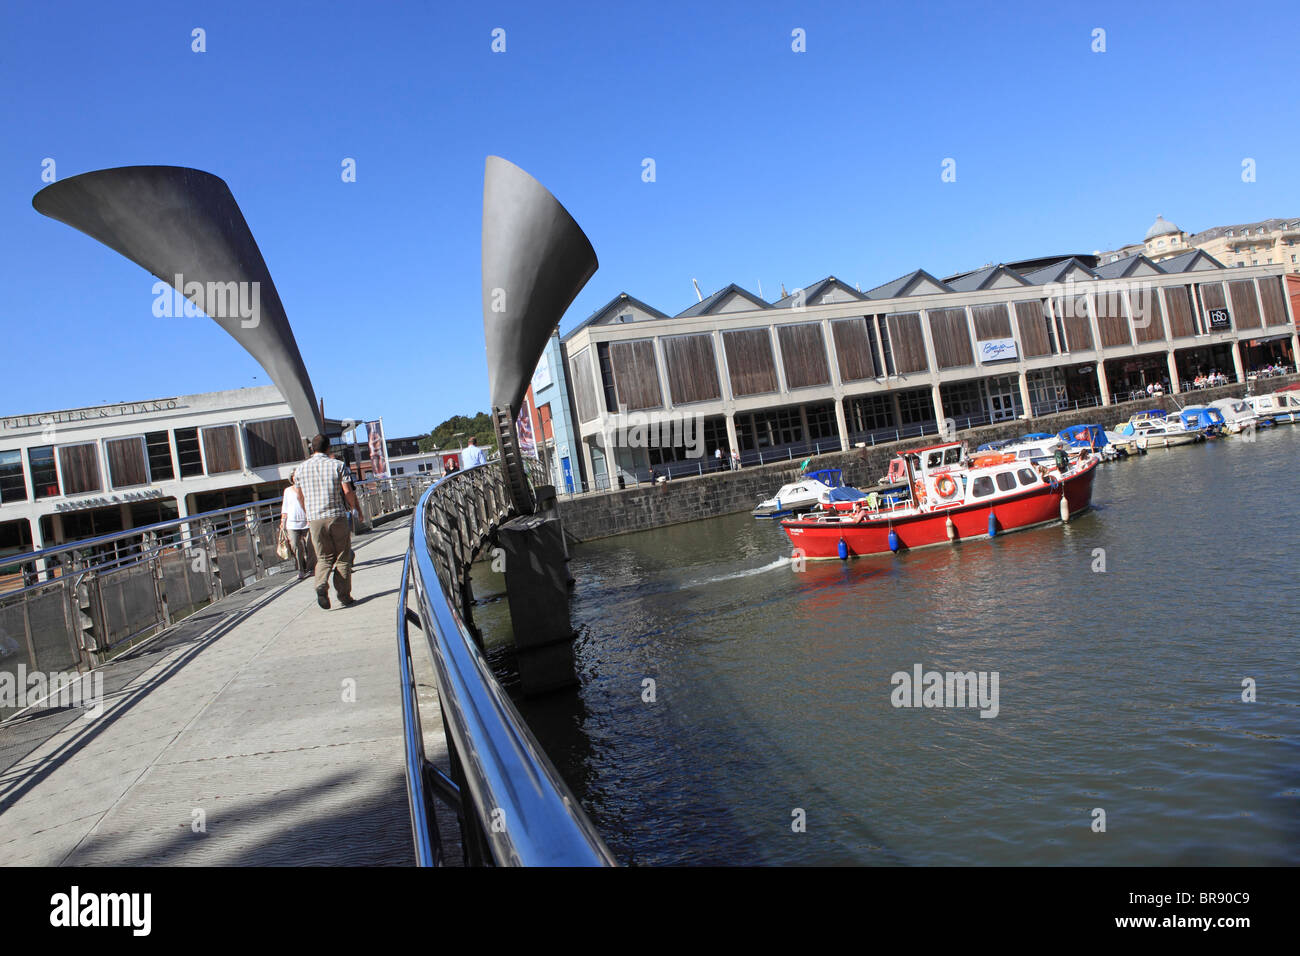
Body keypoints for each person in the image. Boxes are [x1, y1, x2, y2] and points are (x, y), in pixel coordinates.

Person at [298, 434, 362, 609]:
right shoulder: (338, 465)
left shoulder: (301, 469)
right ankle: (344, 595)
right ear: (329, 448)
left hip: (315, 518)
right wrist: (354, 508)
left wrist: (307, 512)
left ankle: (320, 584)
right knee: (343, 556)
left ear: (312, 448)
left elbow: (299, 495)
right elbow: (347, 490)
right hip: (336, 515)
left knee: (323, 557)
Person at [280, 469, 316, 581]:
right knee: (295, 546)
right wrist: (282, 522)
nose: (296, 478)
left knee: (311, 546)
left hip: (307, 522)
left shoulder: (307, 488)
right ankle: (301, 569)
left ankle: (311, 568)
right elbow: (285, 508)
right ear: (292, 478)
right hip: (292, 523)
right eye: (295, 476)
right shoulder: (287, 491)